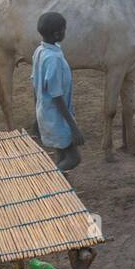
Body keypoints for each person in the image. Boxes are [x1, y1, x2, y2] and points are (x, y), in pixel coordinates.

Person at [33, 12, 83, 171]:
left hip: (46, 113)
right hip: (57, 118)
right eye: (64, 29)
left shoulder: (40, 51)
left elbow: (35, 83)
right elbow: (56, 96)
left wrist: (37, 112)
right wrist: (73, 126)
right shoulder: (53, 59)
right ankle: (51, 179)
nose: (65, 32)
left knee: (61, 154)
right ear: (57, 34)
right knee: (74, 158)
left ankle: (62, 188)